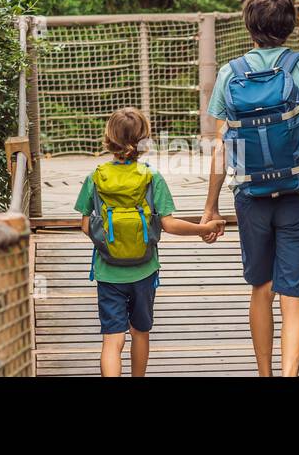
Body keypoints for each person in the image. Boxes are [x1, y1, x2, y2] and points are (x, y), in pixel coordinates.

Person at [200, 0, 299, 377]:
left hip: (251, 196)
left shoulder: (229, 73)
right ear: (290, 26)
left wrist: (211, 205)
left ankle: (265, 375)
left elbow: (222, 147)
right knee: (293, 298)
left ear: (249, 26)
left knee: (261, 288)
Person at [77, 107, 227, 377]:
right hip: (144, 271)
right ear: (144, 141)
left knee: (113, 340)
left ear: (108, 138)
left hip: (108, 272)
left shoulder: (96, 177)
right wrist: (203, 228)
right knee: (140, 332)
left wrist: (109, 243)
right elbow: (168, 224)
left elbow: (86, 225)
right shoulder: (151, 177)